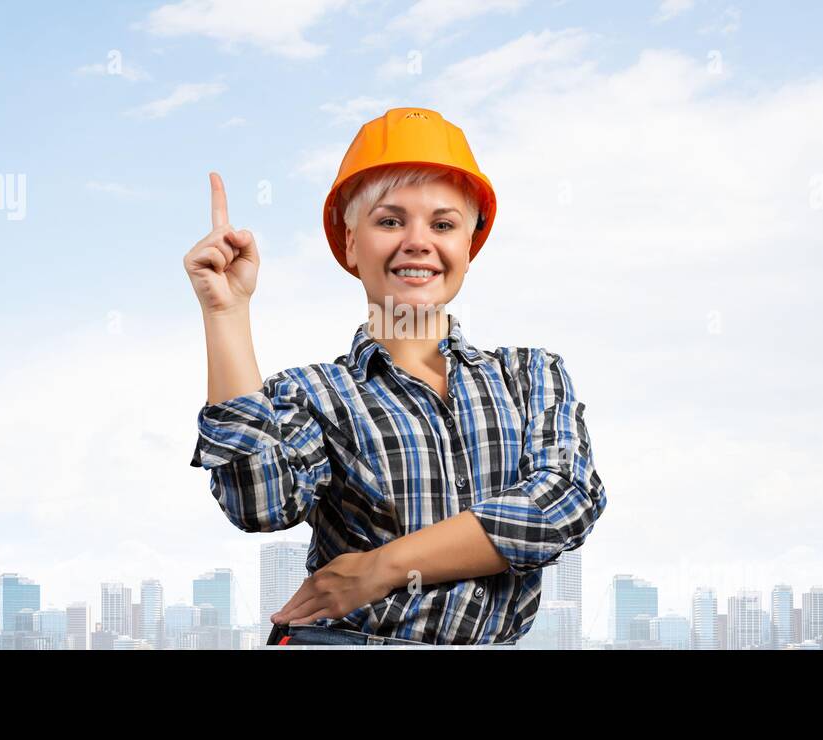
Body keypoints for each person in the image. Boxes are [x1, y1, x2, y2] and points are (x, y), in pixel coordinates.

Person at [184, 107, 607, 646]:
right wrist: (227, 314)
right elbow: (260, 504)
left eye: (444, 223)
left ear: (469, 246)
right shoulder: (312, 394)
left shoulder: (530, 376)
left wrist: (381, 567)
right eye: (389, 221)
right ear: (352, 244)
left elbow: (564, 502)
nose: (417, 241)